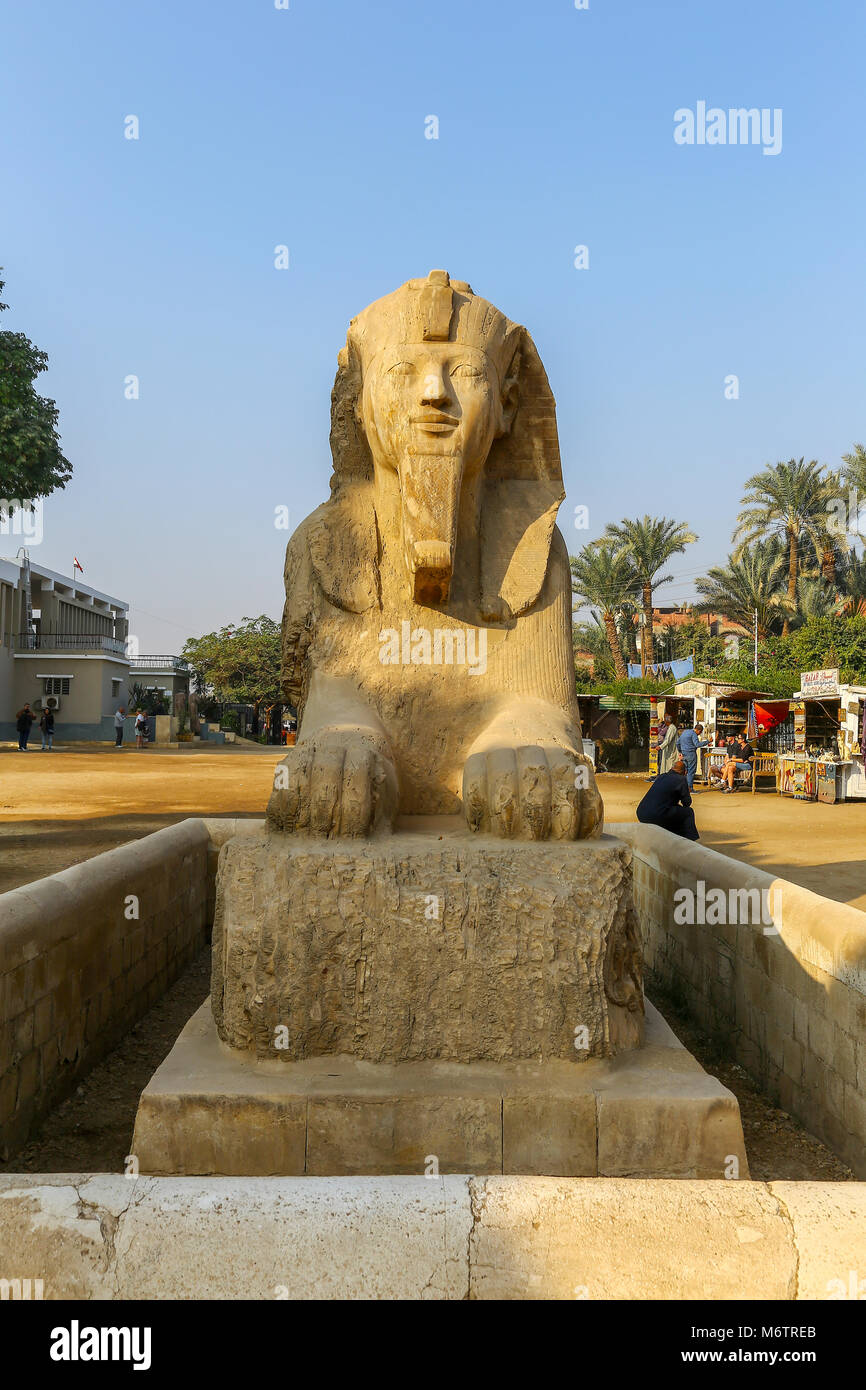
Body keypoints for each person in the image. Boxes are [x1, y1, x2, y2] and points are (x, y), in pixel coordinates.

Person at [636, 756, 699, 841]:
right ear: (685, 772)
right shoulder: (681, 779)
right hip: (656, 815)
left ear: (671, 768)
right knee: (688, 812)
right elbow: (687, 803)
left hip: (641, 812)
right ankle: (690, 841)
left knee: (672, 810)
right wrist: (686, 789)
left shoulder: (662, 776)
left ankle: (671, 837)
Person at [677, 722, 710, 792]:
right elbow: (697, 744)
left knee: (684, 771)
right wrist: (708, 741)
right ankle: (690, 788)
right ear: (699, 731)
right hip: (691, 754)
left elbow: (678, 743)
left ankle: (683, 788)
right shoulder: (694, 734)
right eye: (700, 733)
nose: (699, 734)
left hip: (683, 754)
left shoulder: (685, 732)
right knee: (691, 771)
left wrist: (680, 752)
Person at [721, 728, 754, 793]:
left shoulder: (748, 747)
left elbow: (742, 760)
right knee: (730, 768)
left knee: (730, 763)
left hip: (748, 765)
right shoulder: (740, 747)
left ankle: (722, 781)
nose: (737, 740)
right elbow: (740, 758)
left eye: (739, 738)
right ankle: (730, 787)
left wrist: (731, 759)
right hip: (742, 764)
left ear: (743, 740)